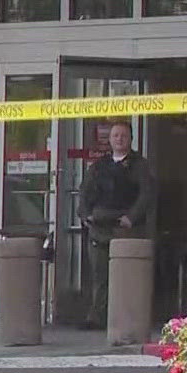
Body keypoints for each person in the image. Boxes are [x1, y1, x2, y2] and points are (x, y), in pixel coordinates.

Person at [78, 120, 154, 330]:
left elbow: (146, 194)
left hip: (125, 228)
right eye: (115, 136)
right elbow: (85, 192)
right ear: (110, 140)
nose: (119, 139)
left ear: (131, 139)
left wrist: (131, 217)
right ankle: (97, 317)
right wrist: (85, 215)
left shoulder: (140, 165)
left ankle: (123, 317)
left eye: (123, 136)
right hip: (99, 227)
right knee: (99, 276)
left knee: (125, 277)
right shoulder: (99, 166)